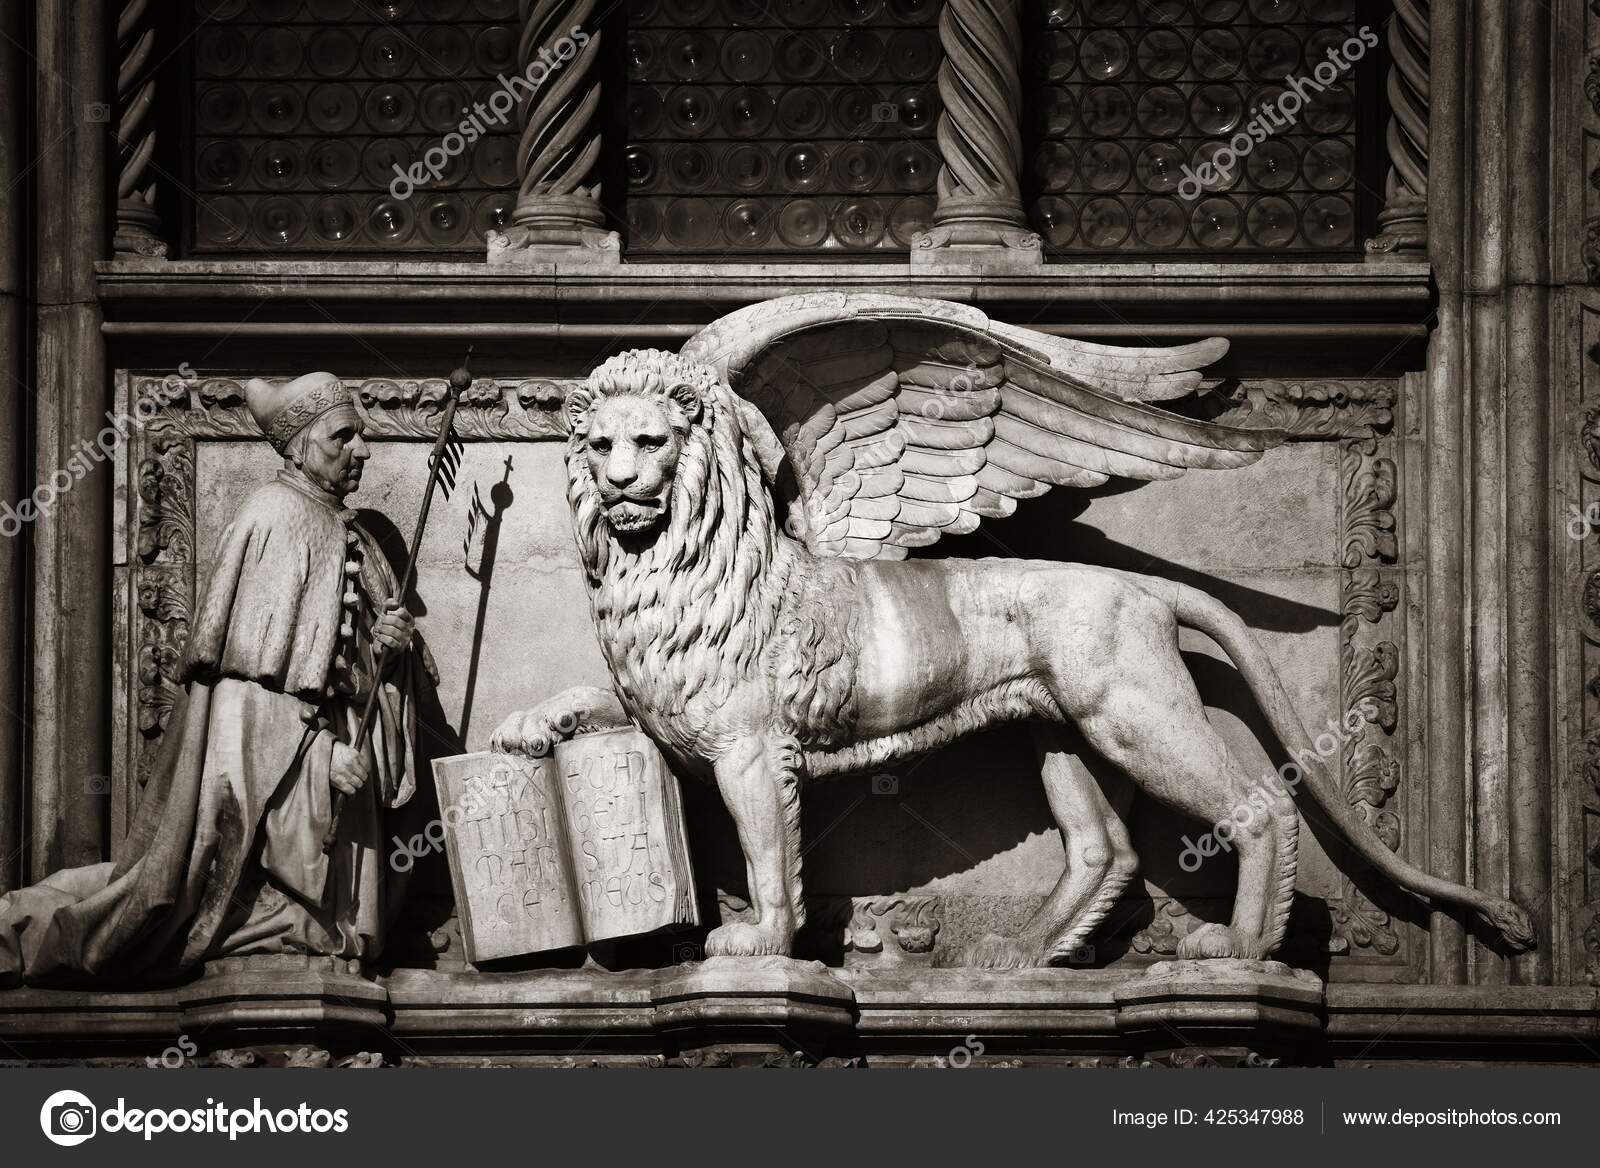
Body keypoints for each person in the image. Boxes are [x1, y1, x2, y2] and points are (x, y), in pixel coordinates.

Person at [0, 372, 434, 984]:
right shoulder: (272, 518)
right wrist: (321, 757)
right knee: (172, 905)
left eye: (361, 436)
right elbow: (241, 692)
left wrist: (390, 650)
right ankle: (27, 927)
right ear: (299, 444)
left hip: (336, 790)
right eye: (343, 436)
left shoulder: (350, 530)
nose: (361, 450)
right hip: (290, 782)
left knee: (325, 933)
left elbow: (352, 672)